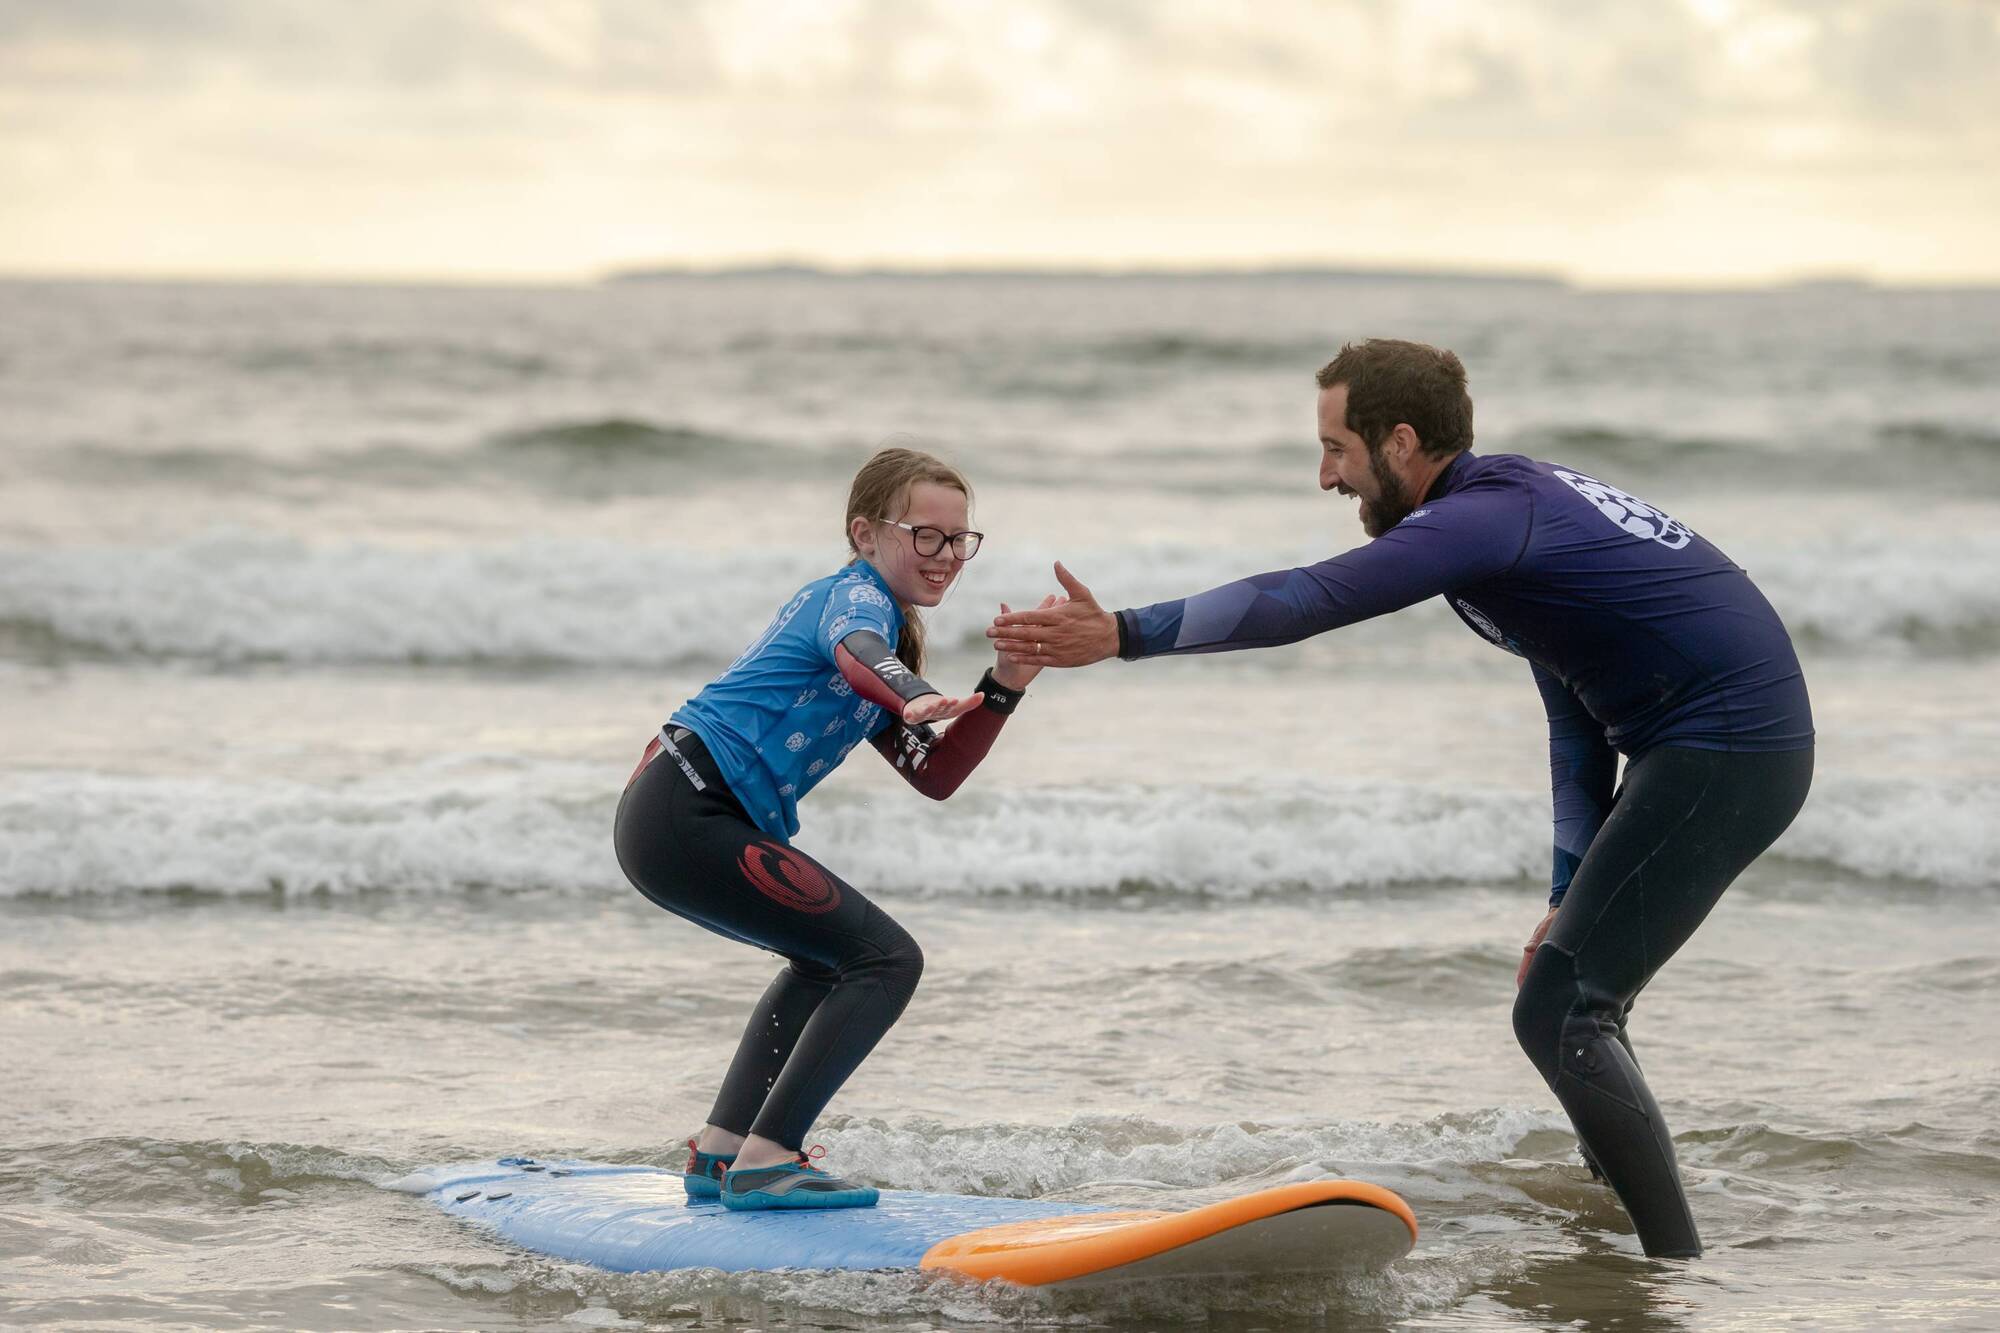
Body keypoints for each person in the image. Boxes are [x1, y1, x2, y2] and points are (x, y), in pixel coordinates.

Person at [987, 339, 1813, 1258]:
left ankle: (1672, 1265)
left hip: (1726, 746)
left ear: (1403, 442)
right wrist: (1564, 893)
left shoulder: (1486, 518)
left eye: (1339, 448)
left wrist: (1126, 632)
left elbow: (1306, 599)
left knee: (1561, 1009)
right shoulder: (1510, 521)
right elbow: (1574, 718)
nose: (1326, 475)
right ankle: (1630, 1227)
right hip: (1718, 744)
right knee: (1578, 992)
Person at [617, 445, 1052, 1211]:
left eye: (960, 539)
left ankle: (723, 1152)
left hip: (677, 813)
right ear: (864, 534)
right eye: (927, 535)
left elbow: (936, 774)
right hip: (688, 803)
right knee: (886, 959)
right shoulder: (853, 600)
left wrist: (1005, 684)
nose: (948, 555)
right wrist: (910, 690)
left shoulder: (889, 632)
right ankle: (769, 1160)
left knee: (825, 961)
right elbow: (861, 654)